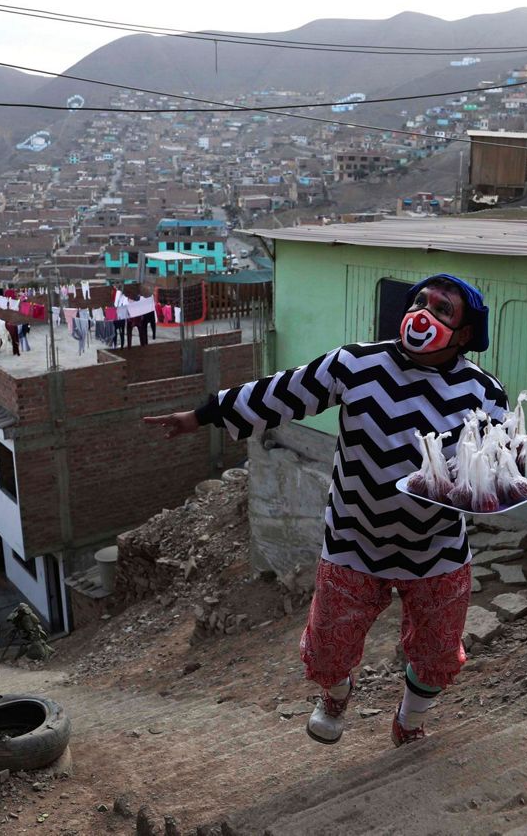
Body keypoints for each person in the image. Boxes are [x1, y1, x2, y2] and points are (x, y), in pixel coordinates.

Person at [144, 274, 506, 747]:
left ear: (464, 333)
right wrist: (202, 415)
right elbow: (281, 392)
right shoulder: (356, 363)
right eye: (420, 301)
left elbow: (499, 461)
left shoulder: (483, 392)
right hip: (353, 540)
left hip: (437, 549)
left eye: (442, 310)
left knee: (438, 650)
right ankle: (336, 696)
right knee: (328, 649)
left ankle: (410, 720)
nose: (423, 314)